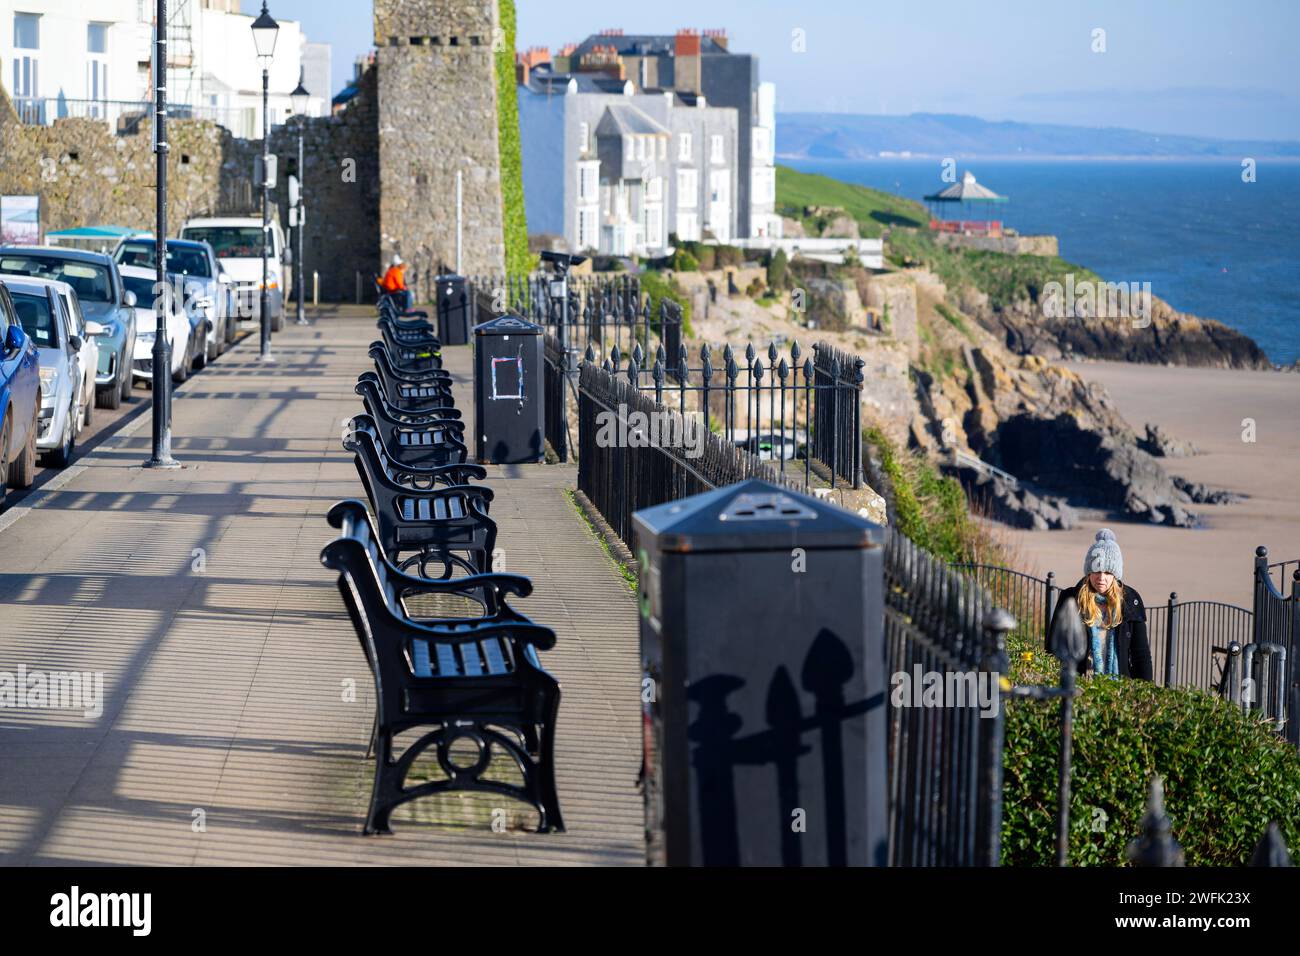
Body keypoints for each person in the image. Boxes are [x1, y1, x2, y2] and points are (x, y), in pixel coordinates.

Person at [1047, 528, 1153, 681]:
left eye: (1108, 572)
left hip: (1120, 692)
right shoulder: (1070, 598)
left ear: (1115, 575)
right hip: (1079, 688)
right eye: (1096, 570)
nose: (1101, 577)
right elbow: (1053, 648)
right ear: (1089, 572)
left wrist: (1145, 696)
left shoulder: (1131, 601)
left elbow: (1141, 657)